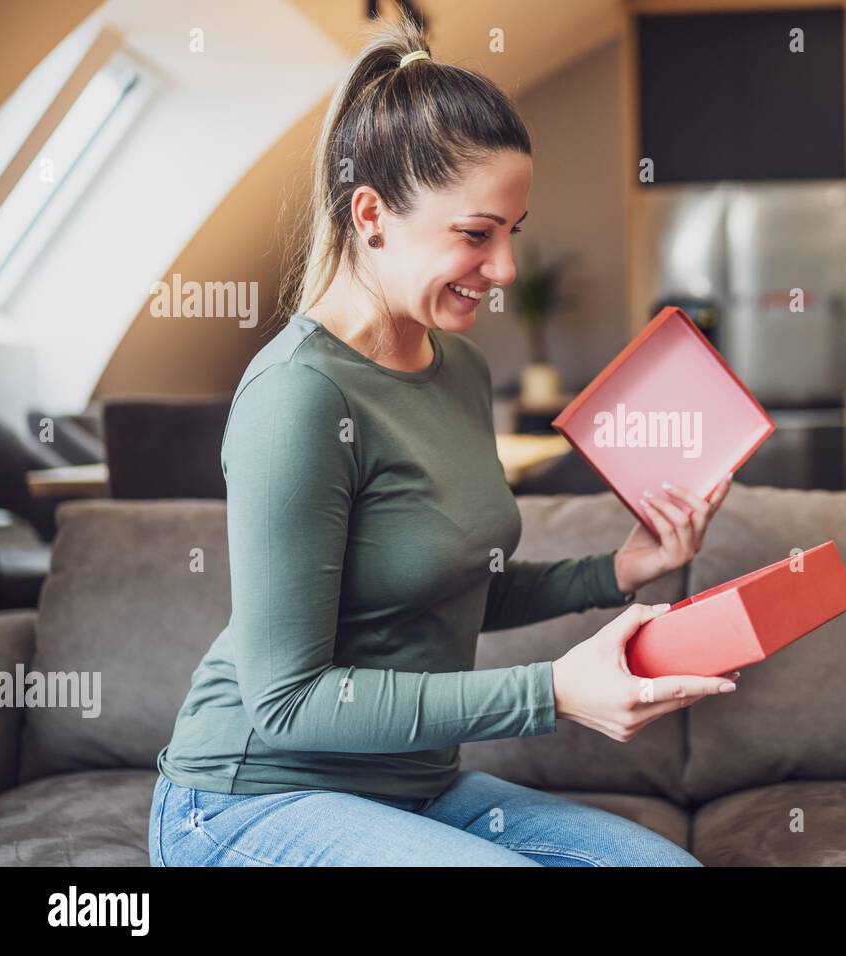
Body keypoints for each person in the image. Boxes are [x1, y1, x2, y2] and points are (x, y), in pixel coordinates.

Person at [149, 14, 738, 867]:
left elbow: (445, 588)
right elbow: (286, 703)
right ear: (372, 214)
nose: (503, 271)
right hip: (253, 798)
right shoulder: (297, 396)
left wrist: (614, 572)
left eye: (513, 233)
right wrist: (551, 694)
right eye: (476, 234)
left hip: (408, 789)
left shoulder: (457, 369)